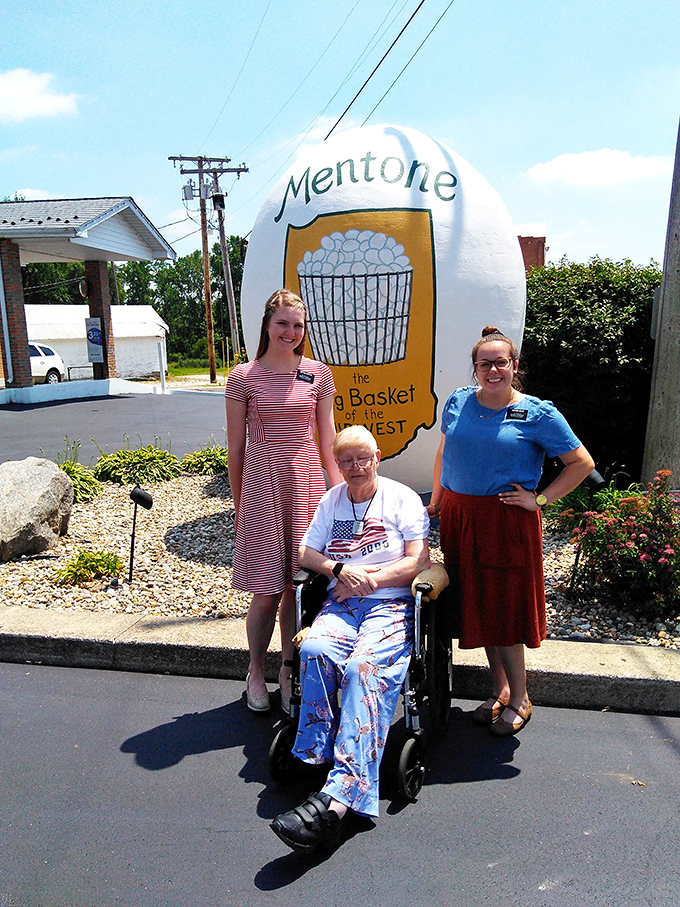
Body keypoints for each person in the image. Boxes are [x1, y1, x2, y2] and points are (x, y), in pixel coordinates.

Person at [270, 426, 430, 854]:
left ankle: (343, 798)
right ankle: (317, 752)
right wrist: (340, 571)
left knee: (364, 668)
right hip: (341, 603)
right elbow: (306, 554)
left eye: (363, 459)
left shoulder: (403, 498)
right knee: (316, 649)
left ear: (378, 456)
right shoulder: (332, 499)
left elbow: (418, 560)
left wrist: (369, 579)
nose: (356, 468)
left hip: (391, 605)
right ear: (337, 464)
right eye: (347, 461)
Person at [428, 326, 594, 737]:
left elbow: (581, 463)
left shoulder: (538, 413)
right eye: (485, 364)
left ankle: (521, 697)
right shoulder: (459, 402)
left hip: (505, 521)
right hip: (460, 517)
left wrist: (538, 500)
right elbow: (446, 451)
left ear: (514, 366)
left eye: (501, 362)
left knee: (505, 606)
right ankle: (500, 690)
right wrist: (437, 500)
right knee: (479, 604)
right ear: (476, 369)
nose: (493, 370)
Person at [225, 289, 343, 714]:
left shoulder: (319, 374)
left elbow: (327, 441)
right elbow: (235, 447)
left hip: (307, 485)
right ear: (267, 325)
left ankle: (289, 669)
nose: (290, 332)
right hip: (260, 486)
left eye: (297, 325)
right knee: (265, 591)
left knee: (299, 587)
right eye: (282, 324)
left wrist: (340, 495)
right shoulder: (243, 377)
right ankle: (256, 668)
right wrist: (241, 504)